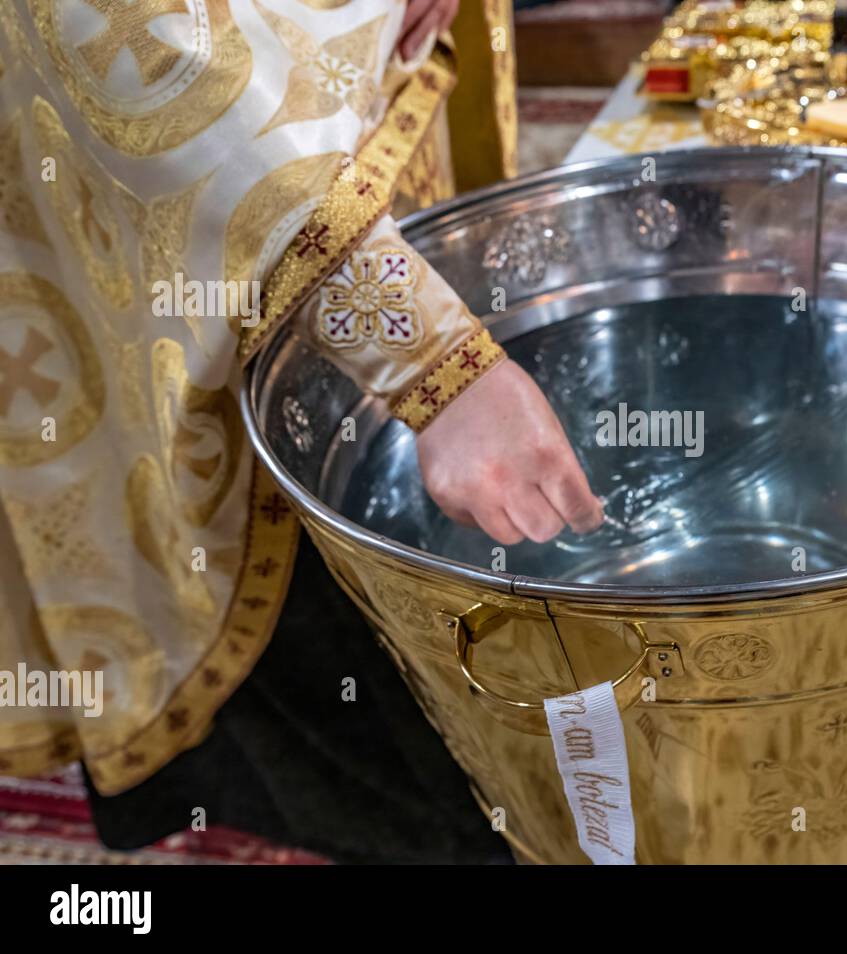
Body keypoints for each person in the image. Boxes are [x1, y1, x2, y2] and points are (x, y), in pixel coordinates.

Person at [0, 0, 600, 861]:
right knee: (417, 740)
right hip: (207, 181)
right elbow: (139, 45)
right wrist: (435, 361)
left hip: (362, 85)